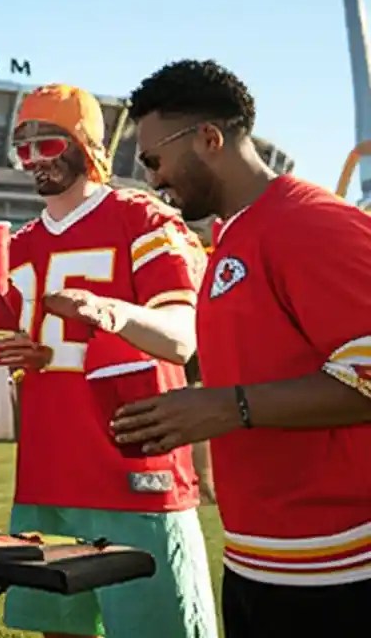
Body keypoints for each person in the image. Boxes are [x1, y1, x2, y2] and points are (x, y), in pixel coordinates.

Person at [113, 59, 371, 637]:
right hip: (259, 557)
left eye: (154, 160)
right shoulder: (232, 234)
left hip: (343, 567)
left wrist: (227, 407)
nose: (152, 179)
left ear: (209, 138)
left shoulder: (312, 224)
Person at [0, 83, 216, 638]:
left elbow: (183, 338)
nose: (32, 159)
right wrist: (24, 351)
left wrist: (107, 310)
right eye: (23, 146)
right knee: (60, 630)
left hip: (134, 472)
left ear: (86, 144)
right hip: (47, 473)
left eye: (47, 143)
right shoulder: (20, 245)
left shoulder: (144, 219)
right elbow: (8, 343)